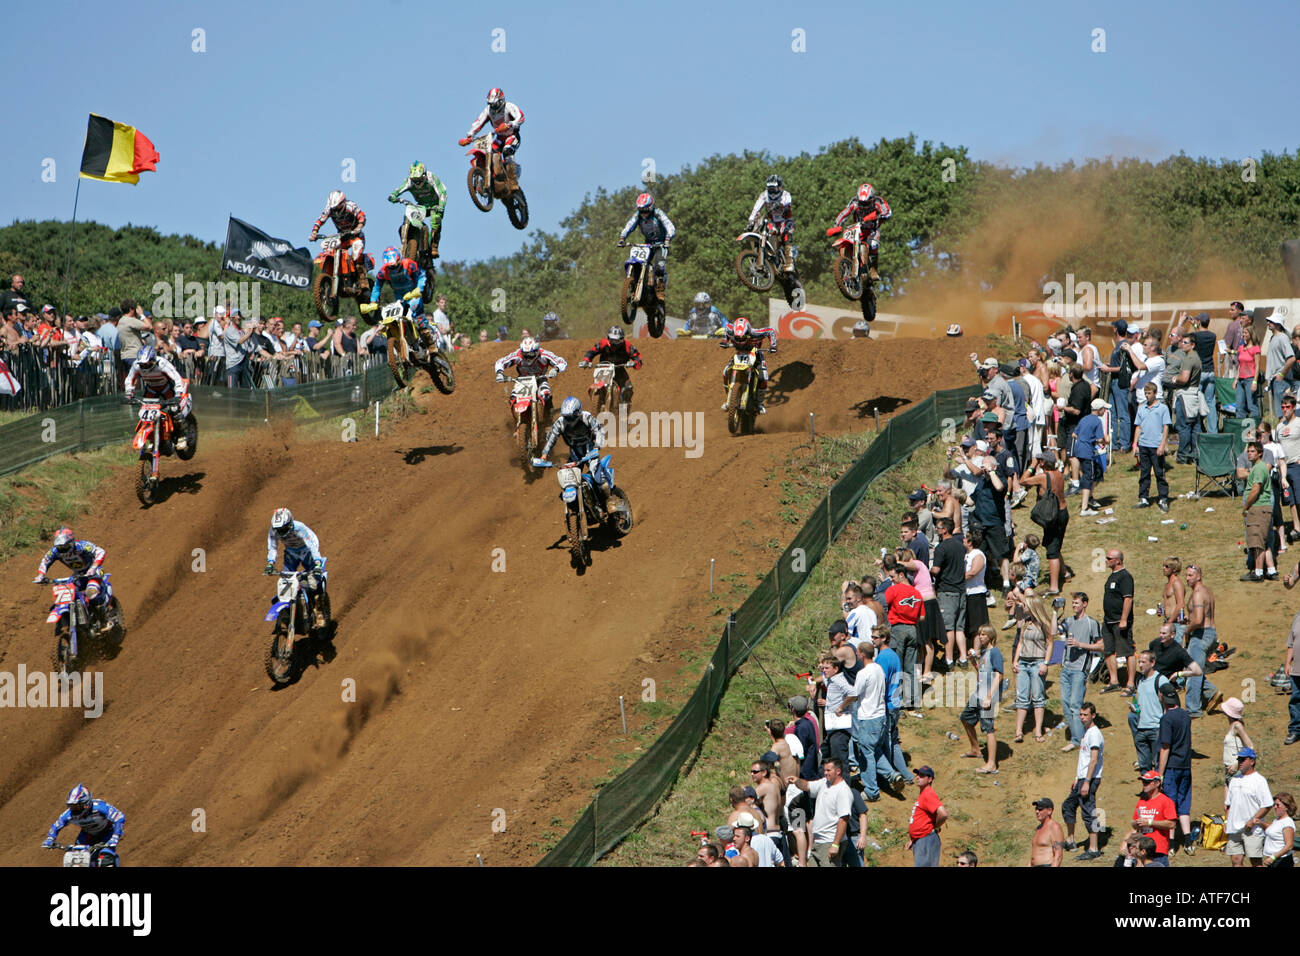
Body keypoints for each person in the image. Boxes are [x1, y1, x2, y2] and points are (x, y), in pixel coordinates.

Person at [536, 397, 615, 516]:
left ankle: (610, 500)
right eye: (567, 417)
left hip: (589, 450)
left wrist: (597, 447)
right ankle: (580, 504)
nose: (570, 420)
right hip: (574, 453)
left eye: (571, 417)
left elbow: (599, 430)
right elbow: (551, 439)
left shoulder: (586, 417)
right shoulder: (560, 422)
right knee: (568, 479)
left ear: (578, 412)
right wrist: (544, 455)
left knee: (598, 476)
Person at [359, 247, 437, 351]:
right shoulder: (383, 271)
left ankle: (430, 340)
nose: (393, 269)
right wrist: (373, 302)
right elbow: (377, 286)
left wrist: (419, 289)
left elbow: (422, 275)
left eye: (395, 266)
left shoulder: (409, 264)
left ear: (399, 260)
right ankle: (407, 343)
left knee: (416, 316)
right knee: (394, 318)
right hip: (399, 298)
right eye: (390, 267)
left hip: (413, 294)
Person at [123, 344, 194, 453]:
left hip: (167, 388)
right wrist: (129, 393)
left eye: (147, 364)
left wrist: (178, 394)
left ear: (153, 360)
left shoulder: (162, 363)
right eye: (142, 364)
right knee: (145, 412)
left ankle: (181, 436)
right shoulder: (137, 365)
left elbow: (176, 377)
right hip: (151, 389)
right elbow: (129, 379)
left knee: (174, 409)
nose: (145, 366)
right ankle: (153, 438)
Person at [33, 527, 111, 626]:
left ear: (71, 542)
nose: (62, 549)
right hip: (78, 575)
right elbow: (45, 561)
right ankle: (82, 616)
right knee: (69, 594)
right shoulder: (55, 551)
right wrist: (41, 575)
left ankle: (105, 616)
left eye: (64, 546)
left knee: (91, 592)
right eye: (59, 547)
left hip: (94, 571)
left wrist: (94, 567)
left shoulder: (82, 545)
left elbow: (100, 551)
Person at [264, 508, 327, 626]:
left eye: (282, 528)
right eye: (278, 529)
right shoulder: (273, 530)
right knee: (285, 580)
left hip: (307, 551)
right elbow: (273, 547)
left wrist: (317, 562)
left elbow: (312, 545)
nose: (280, 531)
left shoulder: (299, 528)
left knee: (314, 582)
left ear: (289, 523)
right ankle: (288, 611)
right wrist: (270, 563)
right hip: (291, 553)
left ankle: (320, 610)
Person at [784, 757, 852, 867]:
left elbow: (844, 819)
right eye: (825, 770)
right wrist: (797, 780)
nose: (825, 773)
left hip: (829, 842)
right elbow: (807, 786)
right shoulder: (824, 783)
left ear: (838, 771)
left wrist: (835, 844)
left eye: (828, 770)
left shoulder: (843, 791)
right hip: (818, 841)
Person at [1020, 449, 1068, 594]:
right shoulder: (1059, 474)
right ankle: (1064, 572)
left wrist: (1031, 466)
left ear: (1043, 462)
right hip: (1063, 512)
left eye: (1040, 460)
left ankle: (1054, 587)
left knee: (1052, 550)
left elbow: (1022, 481)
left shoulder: (1042, 477)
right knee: (1054, 542)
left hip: (1052, 516)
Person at [41, 784, 125, 866]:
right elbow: (56, 826)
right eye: (72, 807)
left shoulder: (100, 807)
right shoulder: (68, 814)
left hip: (107, 833)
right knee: (76, 860)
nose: (74, 809)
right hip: (87, 835)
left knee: (106, 860)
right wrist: (50, 839)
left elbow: (119, 817)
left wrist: (115, 837)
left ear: (86, 804)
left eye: (77, 806)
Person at [1062, 702, 1106, 860]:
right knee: (1068, 805)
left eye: (1085, 714)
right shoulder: (1086, 733)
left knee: (1089, 812)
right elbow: (1084, 759)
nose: (1082, 717)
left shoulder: (1094, 733)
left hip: (1090, 778)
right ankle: (1070, 841)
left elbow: (1093, 760)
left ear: (1093, 715)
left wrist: (1086, 781)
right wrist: (1077, 778)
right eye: (1080, 714)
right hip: (1082, 778)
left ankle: (1094, 848)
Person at [457, 87, 525, 190]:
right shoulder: (488, 110)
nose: (493, 106)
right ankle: (490, 178)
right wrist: (469, 136)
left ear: (501, 101)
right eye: (490, 104)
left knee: (507, 151)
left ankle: (512, 180)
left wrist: (510, 124)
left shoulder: (509, 107)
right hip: (499, 138)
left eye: (495, 104)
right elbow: (478, 122)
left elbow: (521, 117)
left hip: (512, 135)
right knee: (490, 152)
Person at [1156, 683, 1196, 855]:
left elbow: (1165, 748)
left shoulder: (1167, 719)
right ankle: (1188, 841)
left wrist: (1160, 774)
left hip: (1171, 767)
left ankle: (1171, 844)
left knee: (1170, 805)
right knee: (1184, 803)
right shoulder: (1185, 716)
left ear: (1162, 697)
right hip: (1185, 765)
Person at [1060, 592, 1102, 751]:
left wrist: (1080, 644)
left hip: (1079, 670)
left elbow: (1101, 646)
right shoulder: (1069, 621)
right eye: (1073, 603)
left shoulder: (1092, 623)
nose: (1074, 605)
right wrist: (1056, 612)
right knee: (1065, 704)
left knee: (1075, 704)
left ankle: (1077, 740)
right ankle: (1078, 735)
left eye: (1077, 603)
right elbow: (1053, 632)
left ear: (1085, 604)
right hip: (1066, 668)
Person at [959, 624, 1003, 774]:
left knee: (988, 729)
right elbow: (982, 674)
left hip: (987, 696)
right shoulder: (984, 652)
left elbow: (999, 675)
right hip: (978, 694)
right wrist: (973, 662)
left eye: (983, 634)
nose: (980, 637)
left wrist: (990, 697)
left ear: (991, 636)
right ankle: (975, 749)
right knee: (965, 718)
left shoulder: (995, 652)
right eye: (979, 634)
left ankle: (992, 764)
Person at [617, 193, 676, 300]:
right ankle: (635, 283)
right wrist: (622, 238)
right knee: (637, 262)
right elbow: (629, 225)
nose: (643, 213)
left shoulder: (658, 214)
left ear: (651, 207)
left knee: (659, 267)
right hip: (648, 244)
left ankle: (660, 288)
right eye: (641, 210)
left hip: (661, 243)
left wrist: (668, 238)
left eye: (645, 210)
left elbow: (670, 226)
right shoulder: (637, 216)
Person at [1011, 593, 1052, 743]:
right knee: (1021, 697)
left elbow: (1050, 644)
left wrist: (1045, 663)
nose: (1024, 607)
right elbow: (1020, 642)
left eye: (1026, 605)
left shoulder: (1044, 623)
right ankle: (1018, 731)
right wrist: (1015, 661)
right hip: (1023, 662)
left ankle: (1038, 731)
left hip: (1037, 662)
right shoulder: (1025, 623)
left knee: (1038, 698)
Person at [495, 336, 567, 420]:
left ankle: (548, 420)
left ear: (536, 351)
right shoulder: (517, 355)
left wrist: (556, 369)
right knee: (513, 398)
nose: (528, 357)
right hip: (522, 381)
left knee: (545, 394)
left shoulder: (544, 354)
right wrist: (500, 372)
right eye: (525, 354)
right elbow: (501, 362)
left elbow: (562, 362)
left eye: (531, 354)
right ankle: (517, 419)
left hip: (540, 379)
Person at [1183, 564, 1222, 718]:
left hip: (1201, 635)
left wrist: (1187, 630)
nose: (1187, 578)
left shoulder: (1198, 593)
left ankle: (1193, 710)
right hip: (1210, 633)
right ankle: (1212, 693)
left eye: (1190, 575)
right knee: (1196, 669)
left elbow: (1198, 620)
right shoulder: (1207, 591)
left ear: (1199, 576)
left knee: (1192, 671)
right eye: (1186, 575)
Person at [717, 316, 777, 415]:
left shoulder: (755, 333)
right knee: (725, 372)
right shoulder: (730, 330)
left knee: (763, 376)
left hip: (755, 355)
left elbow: (770, 331)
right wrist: (725, 341)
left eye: (743, 337)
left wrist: (773, 345)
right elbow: (727, 328)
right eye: (737, 338)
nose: (740, 340)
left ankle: (759, 403)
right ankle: (730, 398)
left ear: (748, 333)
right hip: (739, 354)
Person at [388, 161, 447, 258]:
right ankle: (406, 242)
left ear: (424, 175)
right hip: (421, 205)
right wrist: (393, 195)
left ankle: (434, 246)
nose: (417, 182)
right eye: (414, 180)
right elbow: (399, 189)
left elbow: (442, 192)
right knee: (409, 216)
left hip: (435, 205)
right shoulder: (409, 181)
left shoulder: (431, 177)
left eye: (419, 179)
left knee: (435, 220)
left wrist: (441, 205)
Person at [832, 183, 892, 280]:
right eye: (862, 203)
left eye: (866, 203)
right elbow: (845, 213)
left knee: (873, 245)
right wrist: (837, 225)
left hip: (872, 229)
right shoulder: (855, 203)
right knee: (845, 243)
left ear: (872, 198)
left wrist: (882, 215)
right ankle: (847, 266)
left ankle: (873, 269)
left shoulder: (878, 201)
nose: (863, 205)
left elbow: (887, 211)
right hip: (858, 229)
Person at [1224, 748, 1273, 867]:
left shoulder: (1259, 780)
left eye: (1243, 759)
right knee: (1236, 860)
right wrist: (1226, 821)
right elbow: (1228, 805)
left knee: (1255, 862)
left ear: (1252, 761)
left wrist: (1253, 820)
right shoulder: (1234, 780)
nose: (1240, 762)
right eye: (1239, 759)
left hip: (1253, 830)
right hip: (1234, 828)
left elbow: (1267, 804)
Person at [309, 190, 368, 281]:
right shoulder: (329, 209)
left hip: (355, 235)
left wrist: (358, 227)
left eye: (337, 207)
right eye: (334, 208)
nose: (335, 210)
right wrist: (314, 232)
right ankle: (337, 275)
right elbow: (320, 220)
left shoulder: (351, 206)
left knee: (356, 255)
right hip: (342, 236)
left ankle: (362, 279)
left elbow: (362, 216)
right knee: (331, 251)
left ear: (343, 202)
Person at [1131, 382, 1172, 511]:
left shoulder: (1162, 408)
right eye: (1145, 394)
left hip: (1156, 445)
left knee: (1159, 473)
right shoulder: (1142, 408)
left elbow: (1166, 427)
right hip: (1143, 445)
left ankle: (1163, 497)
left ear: (1155, 393)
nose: (1147, 396)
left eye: (1149, 393)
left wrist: (1162, 445)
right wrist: (1135, 444)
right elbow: (1138, 427)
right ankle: (1143, 497)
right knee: (1144, 473)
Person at [1100, 549, 1135, 694]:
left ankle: (1131, 683)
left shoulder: (1125, 577)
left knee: (1127, 651)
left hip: (1119, 621)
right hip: (1108, 621)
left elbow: (1128, 598)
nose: (1106, 560)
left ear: (1118, 560)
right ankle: (1114, 681)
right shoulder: (1112, 576)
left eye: (1109, 558)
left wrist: (1123, 619)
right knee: (1108, 650)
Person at [1242, 441, 1279, 581]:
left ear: (1260, 453)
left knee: (1256, 541)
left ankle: (1258, 573)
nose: (1249, 453)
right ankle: (1271, 570)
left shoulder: (1258, 468)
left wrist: (1246, 506)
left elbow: (1256, 489)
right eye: (1248, 451)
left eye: (1252, 451)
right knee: (1264, 541)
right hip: (1263, 509)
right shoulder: (1259, 467)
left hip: (1258, 508)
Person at [579, 326, 643, 405]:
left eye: (616, 341)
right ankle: (596, 402)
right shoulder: (603, 343)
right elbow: (592, 351)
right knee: (597, 387)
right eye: (612, 340)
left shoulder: (628, 346)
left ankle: (623, 413)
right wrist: (586, 361)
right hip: (604, 369)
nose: (614, 343)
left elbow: (637, 357)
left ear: (622, 339)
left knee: (627, 389)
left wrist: (635, 363)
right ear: (608, 338)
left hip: (619, 369)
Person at [1131, 649, 1171, 772]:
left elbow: (1168, 706)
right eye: (1139, 662)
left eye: (1143, 662)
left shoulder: (1161, 680)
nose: (1140, 665)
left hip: (1156, 729)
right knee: (1144, 767)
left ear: (1152, 663)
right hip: (1141, 729)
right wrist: (1135, 709)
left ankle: (1159, 789)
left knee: (1159, 765)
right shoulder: (1140, 681)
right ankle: (1147, 789)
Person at [747, 174, 795, 272]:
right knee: (764, 231)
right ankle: (765, 256)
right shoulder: (764, 195)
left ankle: (790, 262)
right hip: (772, 221)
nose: (772, 191)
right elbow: (756, 209)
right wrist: (751, 221)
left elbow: (788, 202)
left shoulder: (786, 194)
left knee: (786, 234)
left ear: (780, 187)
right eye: (770, 188)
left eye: (774, 188)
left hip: (785, 221)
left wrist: (780, 204)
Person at [1130, 769, 1178, 865]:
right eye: (1143, 782)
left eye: (1147, 782)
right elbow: (1133, 823)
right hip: (1141, 850)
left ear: (1157, 783)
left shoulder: (1166, 801)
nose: (1144, 784)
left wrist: (1150, 822)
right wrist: (1136, 824)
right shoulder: (1141, 801)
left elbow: (1172, 824)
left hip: (1158, 850)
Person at [906, 766, 946, 867]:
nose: (918, 777)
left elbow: (943, 813)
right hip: (921, 840)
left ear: (930, 779)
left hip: (927, 839)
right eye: (917, 774)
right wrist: (914, 839)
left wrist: (935, 827)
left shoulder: (928, 794)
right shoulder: (924, 794)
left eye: (922, 775)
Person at [1235, 325, 1262, 422]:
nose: (1243, 335)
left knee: (1251, 405)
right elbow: (1240, 365)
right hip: (1241, 379)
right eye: (1243, 333)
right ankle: (1240, 427)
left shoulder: (1255, 348)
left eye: (1245, 333)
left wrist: (1255, 381)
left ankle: (1256, 425)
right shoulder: (1241, 348)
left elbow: (1257, 366)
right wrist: (1236, 379)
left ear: (1251, 334)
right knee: (1239, 405)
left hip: (1250, 379)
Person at [1261, 793, 1296, 867]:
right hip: (1273, 860)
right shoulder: (1277, 820)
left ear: (1286, 807)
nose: (1275, 807)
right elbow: (1272, 830)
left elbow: (1289, 846)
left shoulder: (1287, 823)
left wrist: (1273, 857)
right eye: (1274, 805)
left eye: (1278, 805)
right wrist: (1260, 823)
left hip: (1281, 861)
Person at [1029, 797, 1065, 867]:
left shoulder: (1054, 827)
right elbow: (1034, 854)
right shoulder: (1038, 828)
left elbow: (1058, 855)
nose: (1037, 811)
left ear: (1049, 811)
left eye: (1040, 809)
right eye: (1036, 809)